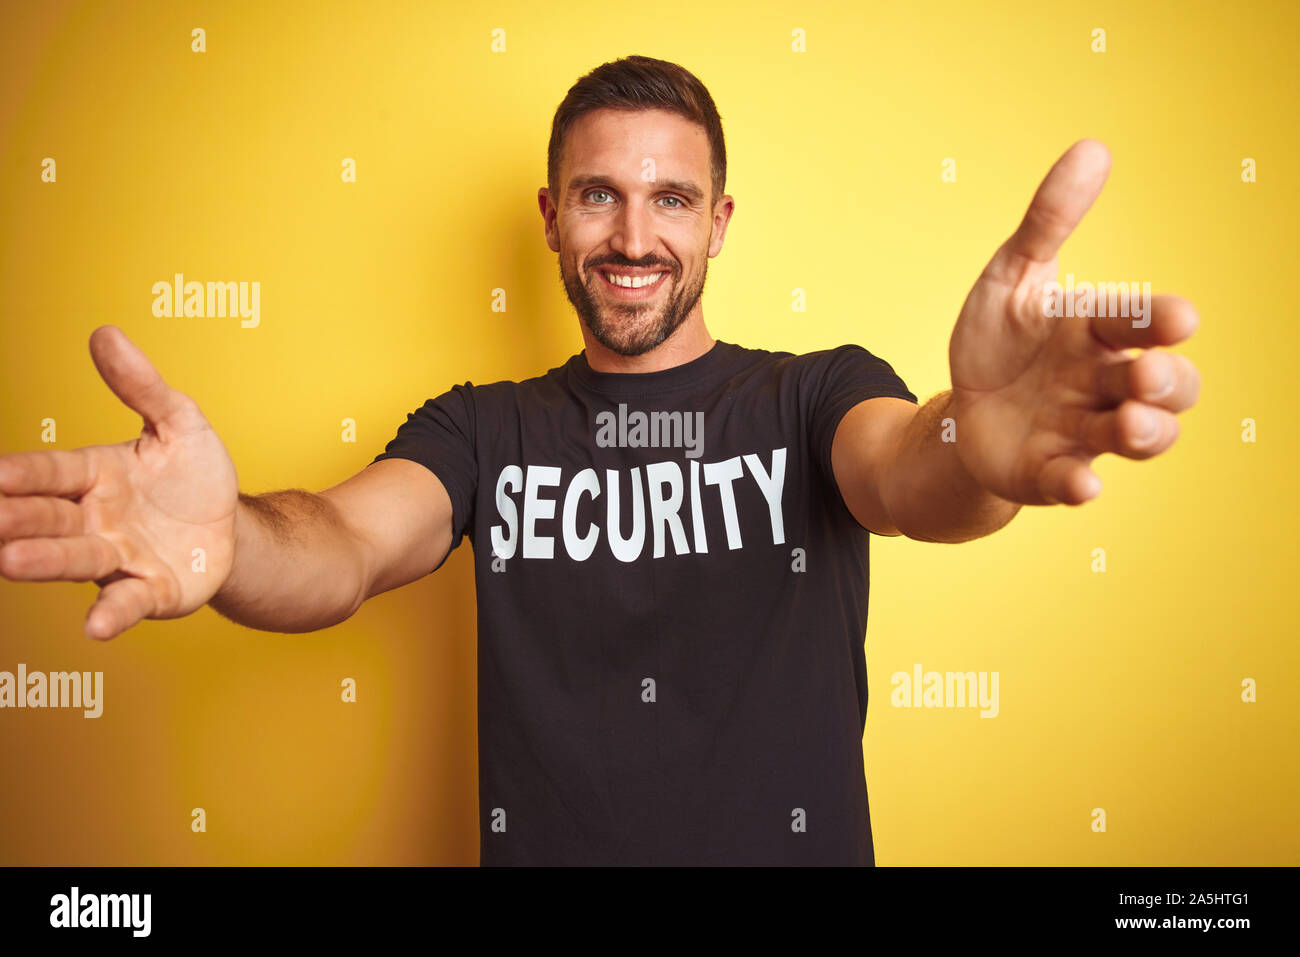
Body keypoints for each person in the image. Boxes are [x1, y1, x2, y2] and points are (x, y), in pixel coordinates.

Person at [0, 55, 1200, 865]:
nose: (635, 237)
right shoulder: (481, 429)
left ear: (720, 221)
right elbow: (344, 547)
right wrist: (232, 541)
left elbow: (906, 475)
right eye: (599, 196)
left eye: (672, 199)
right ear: (550, 217)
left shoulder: (813, 393)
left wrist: (972, 443)